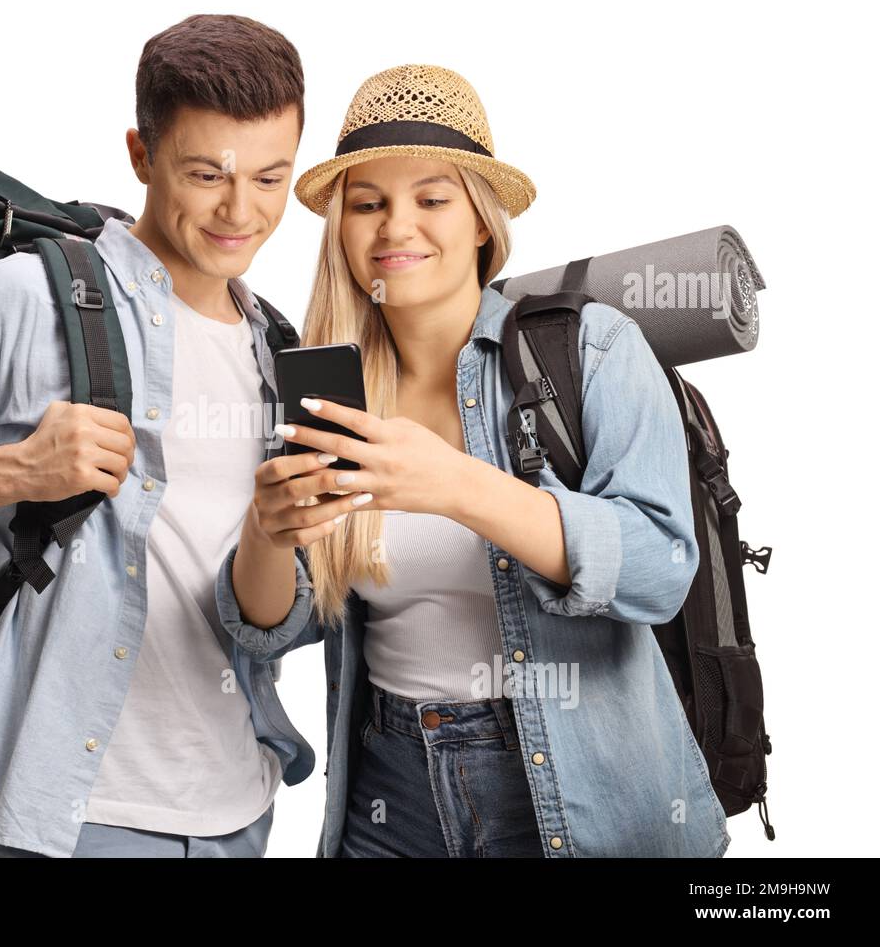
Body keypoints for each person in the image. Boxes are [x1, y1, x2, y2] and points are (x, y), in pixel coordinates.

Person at [0, 13, 309, 858]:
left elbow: (271, 621)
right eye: (207, 174)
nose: (242, 212)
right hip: (65, 819)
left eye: (270, 179)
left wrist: (291, 541)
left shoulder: (279, 348)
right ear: (141, 156)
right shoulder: (20, 299)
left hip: (241, 812)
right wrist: (14, 470)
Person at [214, 64, 732, 857]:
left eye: (431, 198)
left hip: (572, 792)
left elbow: (661, 569)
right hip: (387, 790)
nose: (396, 228)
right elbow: (269, 633)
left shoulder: (592, 349)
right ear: (341, 229)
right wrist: (266, 533)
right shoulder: (324, 388)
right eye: (368, 203)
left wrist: (457, 485)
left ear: (483, 221)